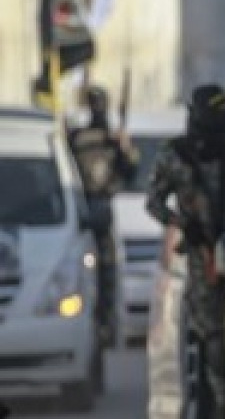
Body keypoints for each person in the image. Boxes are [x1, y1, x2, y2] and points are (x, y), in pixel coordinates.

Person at [145, 85, 225, 419]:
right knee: (212, 348)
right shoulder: (176, 155)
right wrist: (184, 225)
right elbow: (154, 202)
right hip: (204, 262)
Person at [68, 85, 137, 347]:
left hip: (101, 207)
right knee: (89, 270)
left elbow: (129, 171)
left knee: (107, 270)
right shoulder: (81, 137)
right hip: (83, 207)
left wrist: (124, 146)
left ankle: (104, 323)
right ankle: (94, 321)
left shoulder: (111, 138)